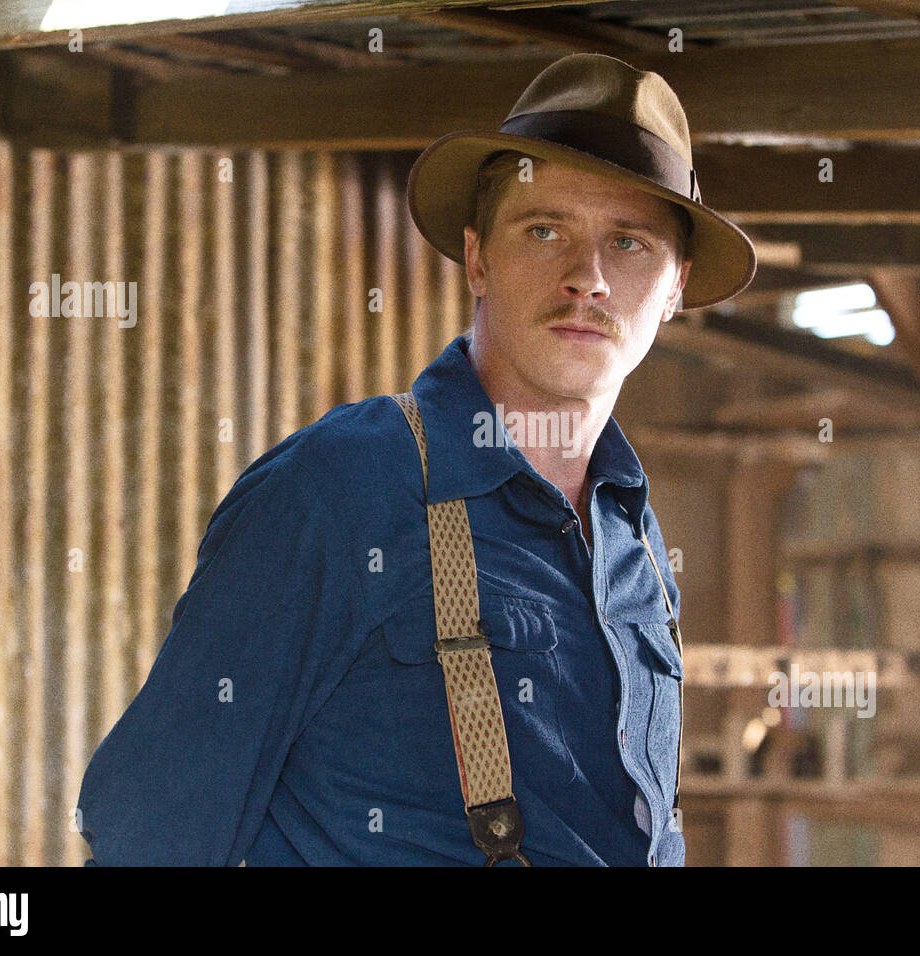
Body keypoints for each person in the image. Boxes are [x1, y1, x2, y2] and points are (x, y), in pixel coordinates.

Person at [77, 52, 757, 866]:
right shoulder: (339, 490)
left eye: (631, 243)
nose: (589, 279)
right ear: (478, 258)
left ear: (675, 286)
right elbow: (145, 835)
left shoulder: (634, 536)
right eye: (545, 231)